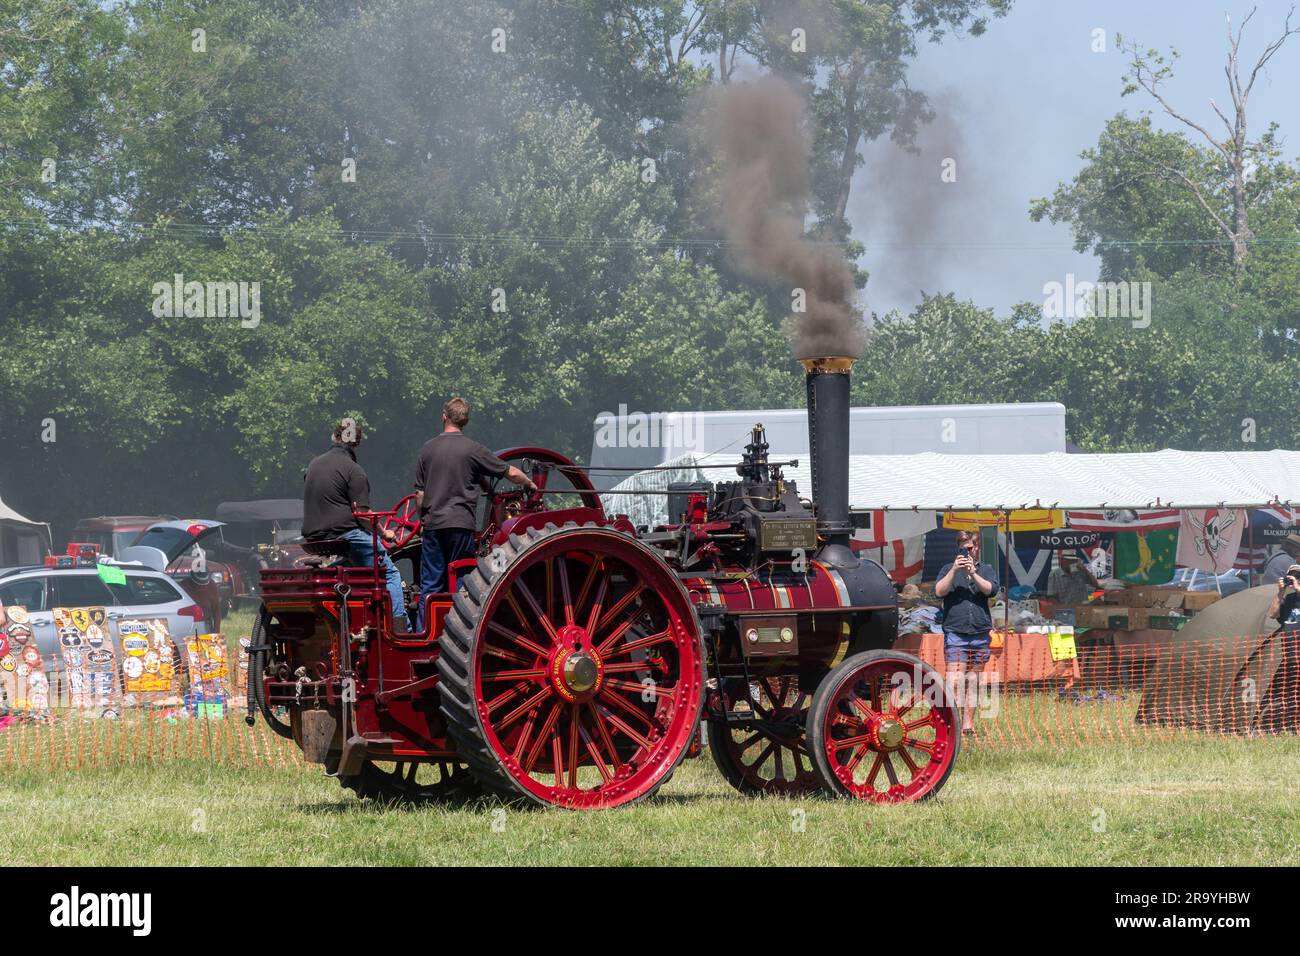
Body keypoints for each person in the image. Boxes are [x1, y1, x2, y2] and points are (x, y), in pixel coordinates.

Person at [412, 397, 537, 627]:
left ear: (444, 416)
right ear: (465, 421)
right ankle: (459, 634)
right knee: (461, 584)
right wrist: (529, 483)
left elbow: (420, 496)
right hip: (461, 526)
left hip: (433, 525)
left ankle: (423, 634)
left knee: (430, 585)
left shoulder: (427, 449)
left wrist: (424, 521)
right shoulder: (473, 449)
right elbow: (509, 471)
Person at [302, 420, 410, 630]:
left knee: (353, 565)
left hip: (313, 536)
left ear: (334, 437)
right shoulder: (354, 470)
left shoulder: (313, 465)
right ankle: (399, 627)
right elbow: (362, 514)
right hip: (344, 535)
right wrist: (385, 533)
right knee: (388, 572)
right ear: (357, 444)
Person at [934, 530, 1000, 734]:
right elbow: (939, 592)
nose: (967, 551)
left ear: (977, 548)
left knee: (973, 680)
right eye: (963, 548)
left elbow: (991, 590)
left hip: (980, 633)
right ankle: (952, 724)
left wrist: (972, 573)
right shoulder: (947, 568)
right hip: (956, 632)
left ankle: (967, 725)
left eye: (970, 548)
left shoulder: (986, 569)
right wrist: (954, 570)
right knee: (954, 680)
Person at [1266, 563, 1300, 631]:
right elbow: (1272, 615)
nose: (1294, 579)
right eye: (1291, 575)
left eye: (1297, 576)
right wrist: (1281, 592)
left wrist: (1298, 588)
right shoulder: (1288, 598)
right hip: (1288, 641)